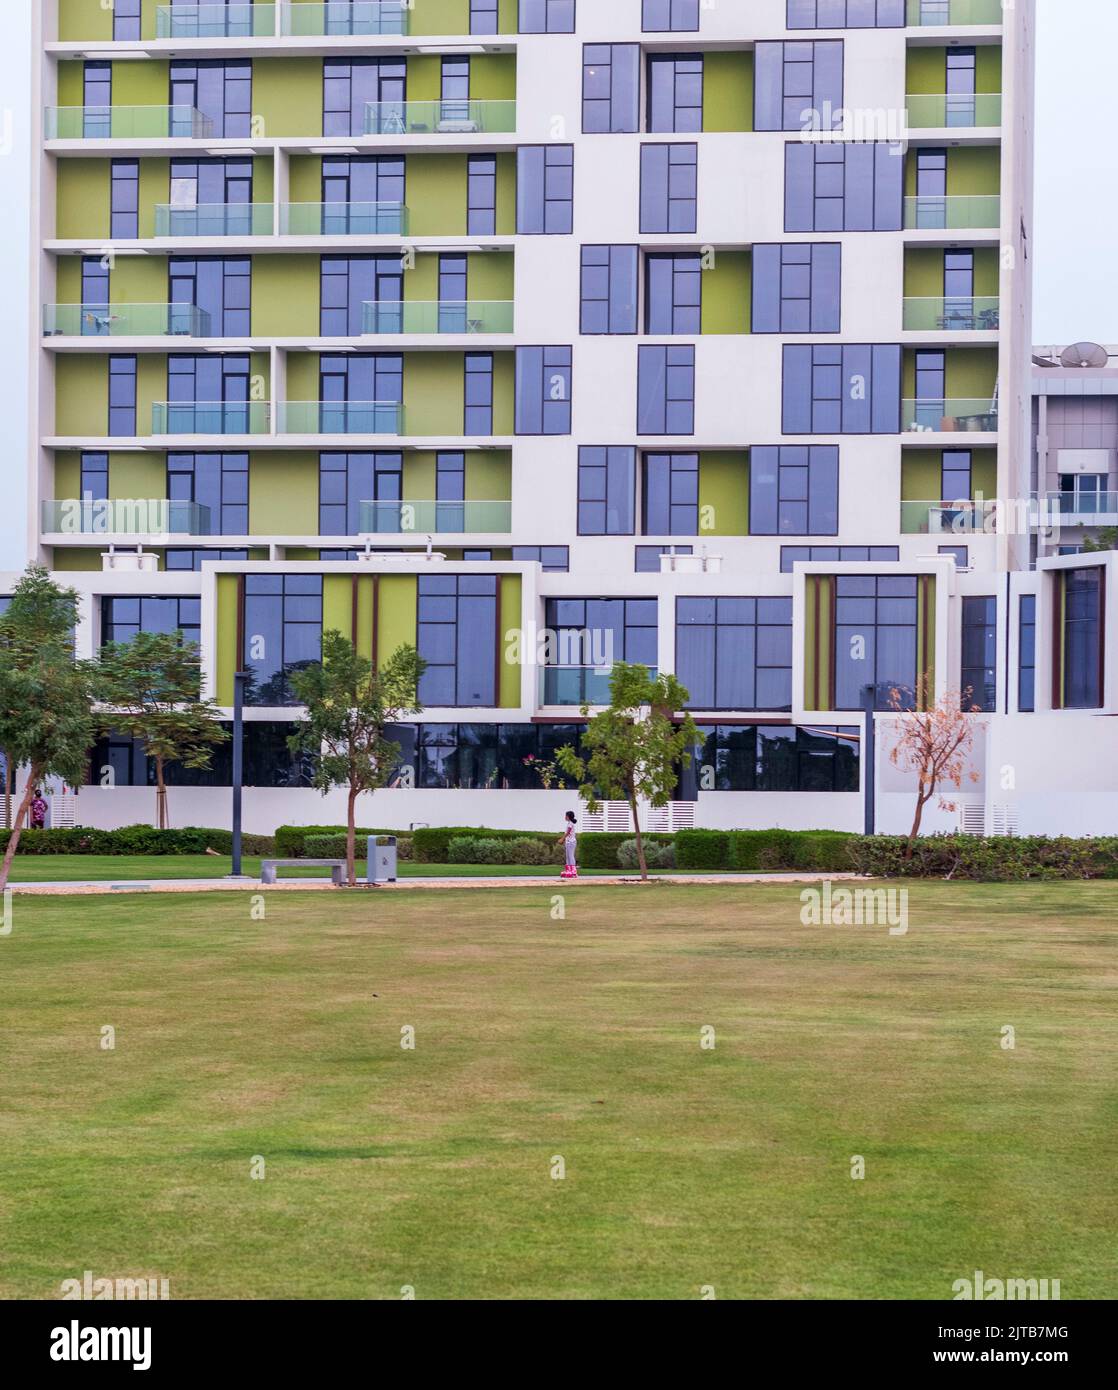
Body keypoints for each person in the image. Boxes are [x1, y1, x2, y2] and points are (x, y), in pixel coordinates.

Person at [559, 810, 578, 880]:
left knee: (570, 856)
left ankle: (573, 871)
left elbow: (568, 832)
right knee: (567, 856)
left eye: (566, 816)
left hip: (571, 842)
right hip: (568, 842)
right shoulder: (569, 823)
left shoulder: (570, 824)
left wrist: (562, 839)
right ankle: (568, 870)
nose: (565, 817)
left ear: (568, 817)